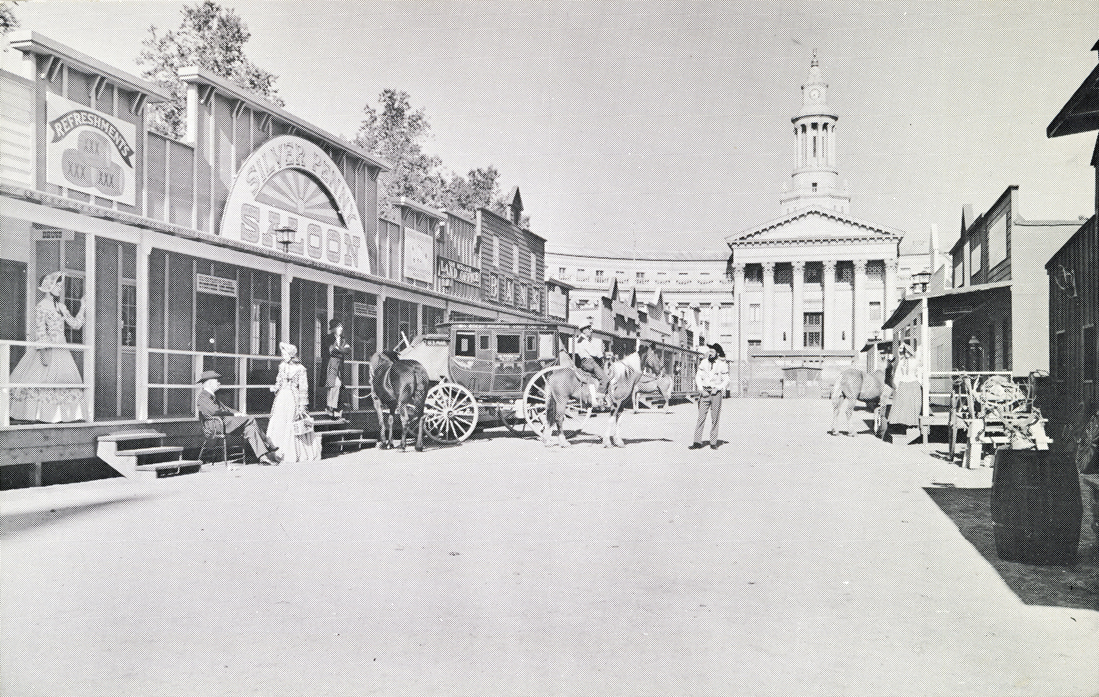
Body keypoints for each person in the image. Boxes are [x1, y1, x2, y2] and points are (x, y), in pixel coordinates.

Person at [9, 271, 88, 423]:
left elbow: (75, 324)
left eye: (60, 286)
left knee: (63, 381)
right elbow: (40, 330)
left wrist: (82, 306)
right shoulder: (41, 306)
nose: (59, 288)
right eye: (57, 285)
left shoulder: (61, 306)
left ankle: (63, 415)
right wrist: (44, 351)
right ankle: (38, 415)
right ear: (48, 286)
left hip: (61, 347)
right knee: (41, 378)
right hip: (47, 347)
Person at [196, 370, 282, 466]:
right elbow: (215, 411)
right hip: (216, 426)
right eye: (217, 381)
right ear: (210, 383)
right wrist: (234, 415)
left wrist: (239, 413)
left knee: (250, 428)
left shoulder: (210, 395)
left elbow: (226, 409)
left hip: (223, 423)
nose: (219, 383)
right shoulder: (204, 396)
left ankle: (263, 457)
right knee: (251, 418)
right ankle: (268, 442)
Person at [267, 342, 321, 463]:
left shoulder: (300, 369)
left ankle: (290, 453)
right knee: (279, 422)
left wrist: (302, 406)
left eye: (284, 353)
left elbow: (303, 388)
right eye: (282, 353)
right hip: (281, 398)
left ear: (291, 355)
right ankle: (277, 451)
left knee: (291, 423)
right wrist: (275, 388)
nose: (283, 356)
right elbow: (279, 382)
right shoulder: (282, 366)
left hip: (292, 398)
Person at [690, 343, 730, 450]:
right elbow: (698, 376)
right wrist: (701, 389)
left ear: (717, 353)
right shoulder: (703, 362)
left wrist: (719, 387)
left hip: (715, 392)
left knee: (715, 418)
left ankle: (713, 442)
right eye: (709, 351)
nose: (710, 353)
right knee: (701, 417)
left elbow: (726, 379)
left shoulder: (722, 364)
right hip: (705, 392)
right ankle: (697, 442)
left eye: (712, 352)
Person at [888, 342, 924, 433]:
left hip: (913, 383)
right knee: (902, 404)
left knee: (913, 403)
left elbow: (921, 368)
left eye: (908, 352)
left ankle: (913, 423)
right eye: (905, 352)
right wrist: (896, 384)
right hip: (903, 383)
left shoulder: (915, 361)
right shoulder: (901, 362)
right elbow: (897, 374)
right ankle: (902, 424)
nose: (906, 353)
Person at [574, 324, 609, 406]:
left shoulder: (580, 340)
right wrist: (603, 355)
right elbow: (594, 353)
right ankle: (599, 399)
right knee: (605, 379)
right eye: (589, 329)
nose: (591, 330)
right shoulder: (584, 341)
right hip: (589, 362)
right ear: (584, 330)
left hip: (584, 362)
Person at [324, 318, 351, 418]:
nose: (341, 329)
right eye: (338, 327)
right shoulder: (328, 338)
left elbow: (348, 350)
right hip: (331, 365)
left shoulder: (343, 339)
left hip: (340, 366)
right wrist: (342, 349)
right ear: (333, 328)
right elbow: (332, 351)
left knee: (338, 386)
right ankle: (330, 408)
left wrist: (340, 349)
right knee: (333, 385)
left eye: (341, 327)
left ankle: (333, 409)